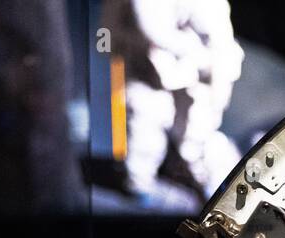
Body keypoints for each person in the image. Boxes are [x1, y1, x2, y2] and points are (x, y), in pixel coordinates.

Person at [103, 0, 244, 200]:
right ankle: (140, 183)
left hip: (186, 71)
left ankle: (202, 179)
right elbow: (151, 29)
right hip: (145, 70)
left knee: (196, 131)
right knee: (147, 127)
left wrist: (216, 68)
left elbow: (218, 30)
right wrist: (192, 50)